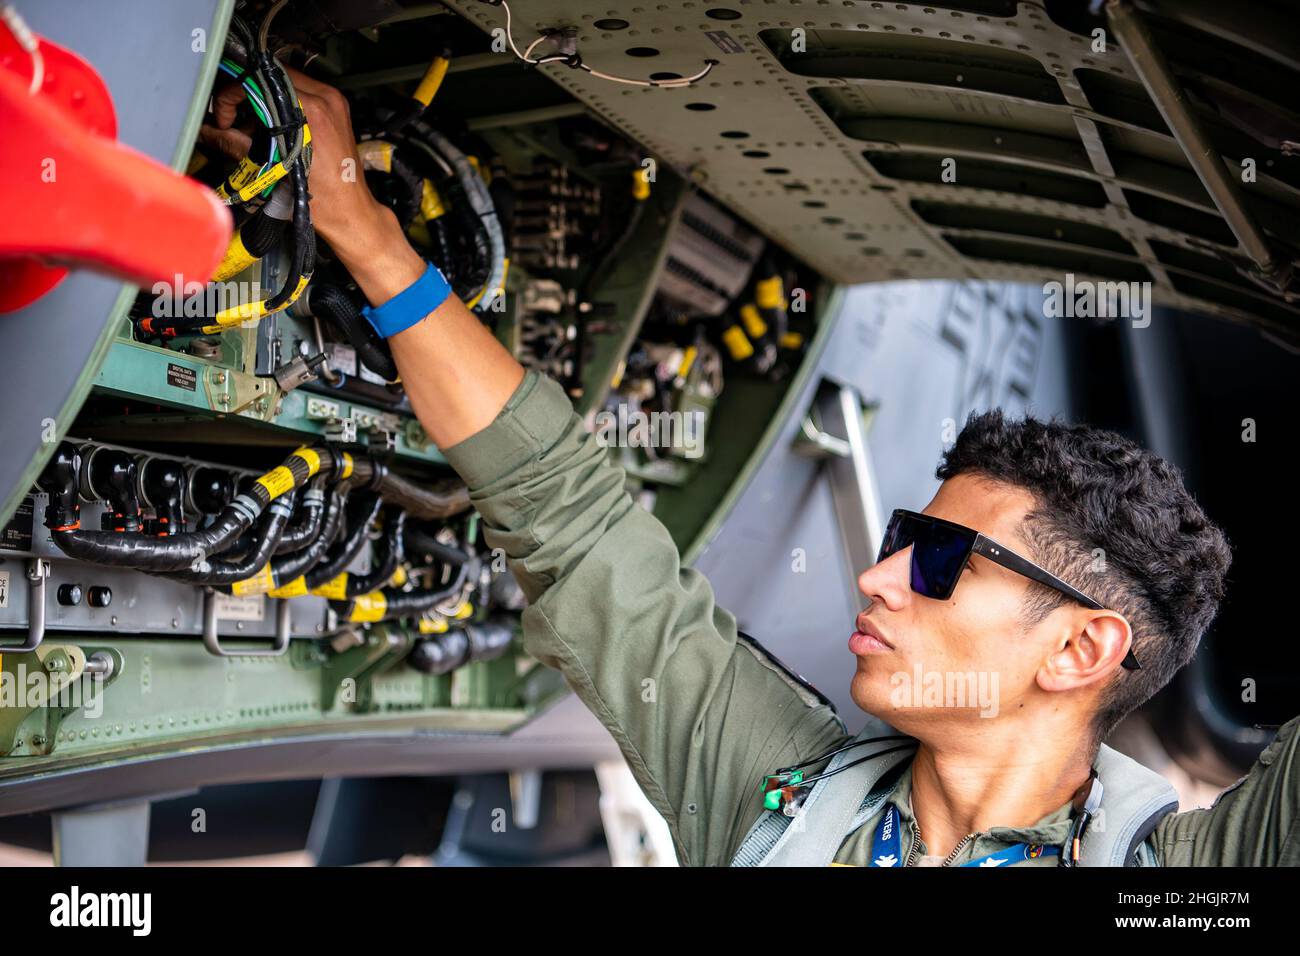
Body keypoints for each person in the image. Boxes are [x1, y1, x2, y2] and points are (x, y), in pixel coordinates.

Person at [209, 70, 1298, 866]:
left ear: (1080, 648)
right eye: (899, 542)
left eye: (939, 561)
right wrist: (363, 232)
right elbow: (571, 517)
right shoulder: (769, 795)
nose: (875, 577)